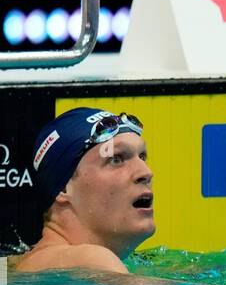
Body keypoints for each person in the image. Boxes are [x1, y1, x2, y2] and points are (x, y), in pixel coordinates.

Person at [16, 108, 155, 273]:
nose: (146, 173)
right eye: (116, 159)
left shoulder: (32, 263)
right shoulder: (94, 261)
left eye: (142, 156)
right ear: (64, 187)